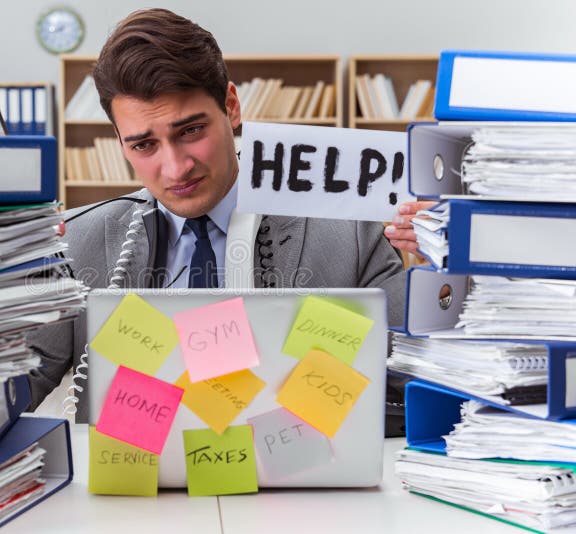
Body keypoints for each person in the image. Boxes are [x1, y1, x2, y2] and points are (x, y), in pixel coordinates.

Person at [27, 8, 418, 408]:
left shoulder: (349, 232)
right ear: (118, 141)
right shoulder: (74, 244)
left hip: (297, 463)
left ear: (231, 106)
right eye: (143, 145)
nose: (176, 168)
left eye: (191, 130)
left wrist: (444, 272)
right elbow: (5, 386)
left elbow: (419, 385)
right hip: (135, 469)